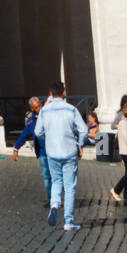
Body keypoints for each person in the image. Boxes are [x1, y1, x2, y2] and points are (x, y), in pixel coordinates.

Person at [35, 81, 88, 232]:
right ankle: (68, 221)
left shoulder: (44, 111)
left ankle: (54, 205)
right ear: (63, 93)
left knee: (56, 181)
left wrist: (49, 138)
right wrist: (80, 145)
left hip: (52, 152)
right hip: (69, 151)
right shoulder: (71, 109)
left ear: (50, 94)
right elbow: (83, 130)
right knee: (70, 187)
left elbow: (38, 132)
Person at [12, 97, 51, 202]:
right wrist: (16, 148)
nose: (39, 108)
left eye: (40, 105)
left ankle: (57, 196)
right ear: (32, 109)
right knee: (47, 177)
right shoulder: (31, 121)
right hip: (42, 152)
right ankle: (52, 199)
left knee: (57, 176)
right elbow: (23, 135)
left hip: (54, 150)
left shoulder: (49, 115)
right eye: (36, 107)